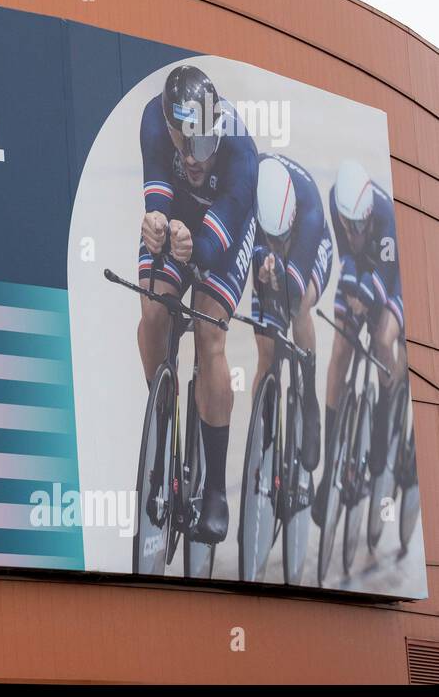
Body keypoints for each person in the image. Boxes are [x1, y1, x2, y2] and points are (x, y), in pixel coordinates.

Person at [137, 65, 257, 543]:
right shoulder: (152, 120)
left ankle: (215, 491)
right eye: (184, 145)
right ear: (168, 127)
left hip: (224, 229)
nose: (195, 158)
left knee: (209, 333)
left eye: (204, 145)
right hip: (182, 215)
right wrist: (156, 225)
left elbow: (211, 247)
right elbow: (158, 202)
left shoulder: (241, 153)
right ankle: (161, 426)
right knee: (152, 312)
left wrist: (194, 251)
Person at [313, 159, 407, 526]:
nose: (353, 231)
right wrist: (353, 293)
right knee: (341, 347)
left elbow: (383, 279)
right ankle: (328, 465)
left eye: (359, 226)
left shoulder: (385, 218)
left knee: (383, 338)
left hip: (393, 274)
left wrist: (363, 298)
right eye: (348, 225)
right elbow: (347, 254)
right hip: (361, 266)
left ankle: (384, 414)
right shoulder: (338, 199)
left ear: (369, 216)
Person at [250, 154, 332, 469]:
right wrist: (264, 263)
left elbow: (294, 291)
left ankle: (309, 397)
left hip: (309, 248)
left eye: (280, 236)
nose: (277, 242)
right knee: (266, 352)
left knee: (299, 308)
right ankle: (262, 430)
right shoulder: (249, 189)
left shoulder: (309, 206)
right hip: (266, 246)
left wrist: (281, 271)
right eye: (274, 236)